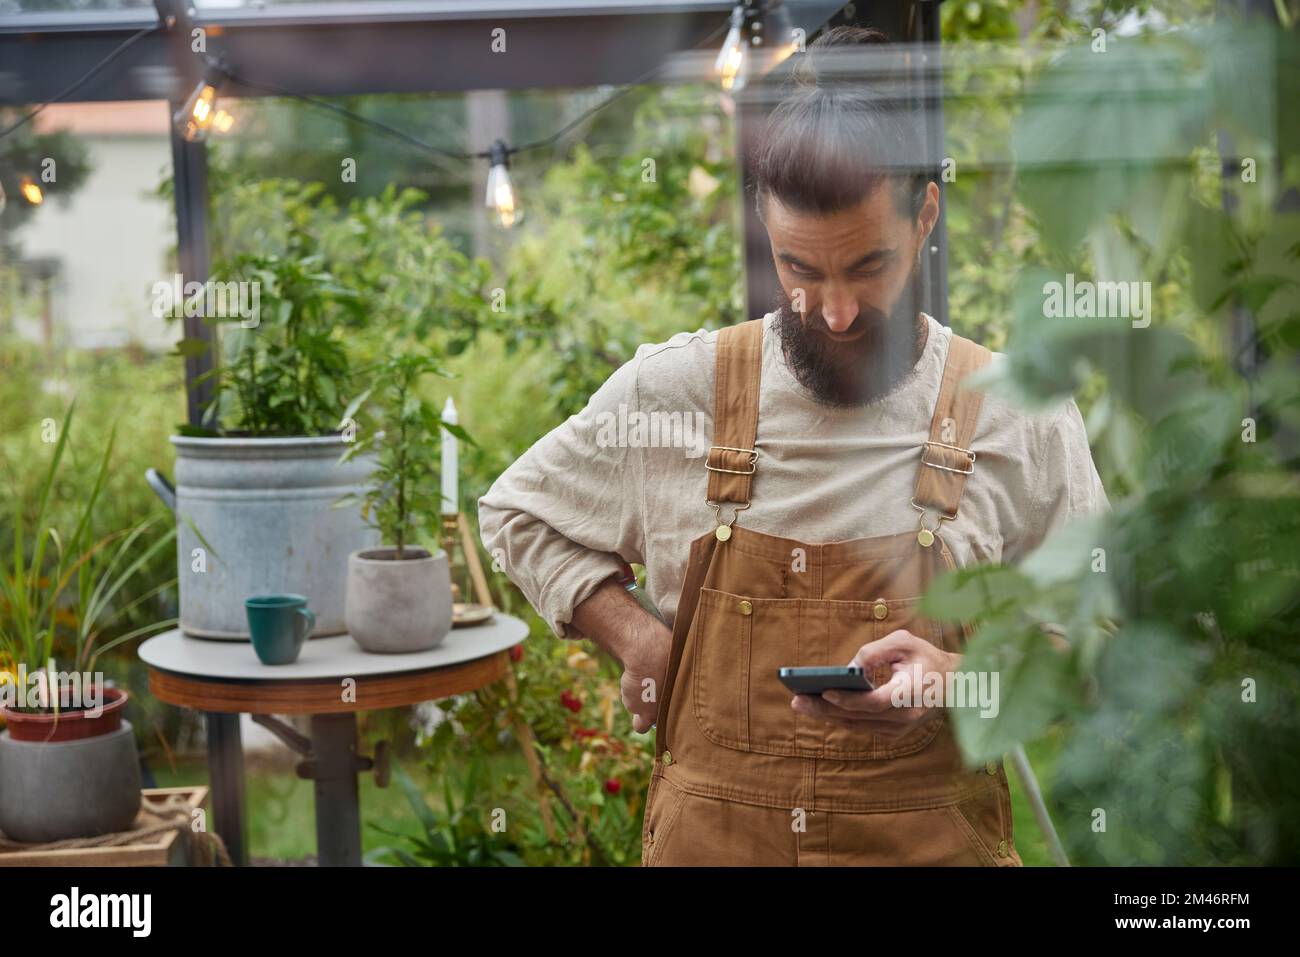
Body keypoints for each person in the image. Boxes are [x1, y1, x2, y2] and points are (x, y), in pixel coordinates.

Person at [478, 25, 1108, 866]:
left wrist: (964, 681)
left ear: (926, 216)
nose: (836, 311)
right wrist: (639, 638)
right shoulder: (672, 393)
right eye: (800, 269)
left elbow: (1099, 644)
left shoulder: (1014, 414)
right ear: (763, 227)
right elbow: (518, 513)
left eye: (866, 266)